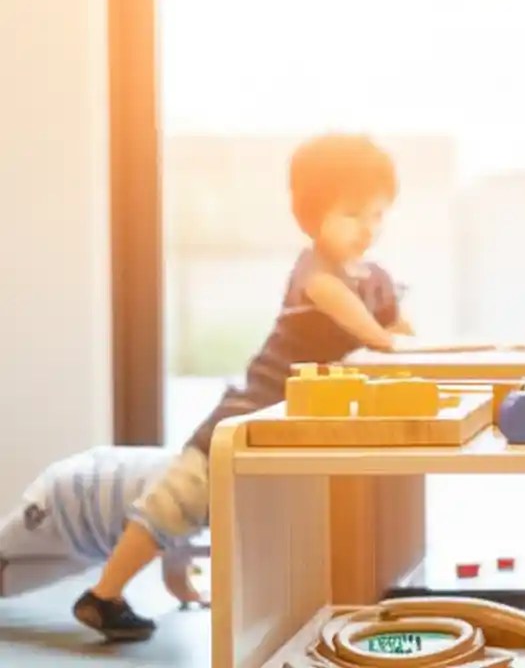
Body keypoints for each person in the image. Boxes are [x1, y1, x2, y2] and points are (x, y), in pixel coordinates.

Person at [73, 133, 414, 641]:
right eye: (352, 214)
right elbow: (342, 307)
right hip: (251, 412)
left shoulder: (377, 278)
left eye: (378, 214)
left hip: (299, 425)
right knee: (177, 501)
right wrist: (382, 340)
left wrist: (417, 350)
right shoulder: (316, 269)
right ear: (310, 215)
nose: (368, 227)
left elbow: (402, 330)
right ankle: (104, 593)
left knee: (272, 521)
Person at [0, 446, 204, 608]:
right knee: (6, 546)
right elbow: (162, 526)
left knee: (10, 582)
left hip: (92, 542)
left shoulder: (199, 503)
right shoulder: (193, 484)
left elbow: (175, 542)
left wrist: (184, 590)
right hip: (69, 497)